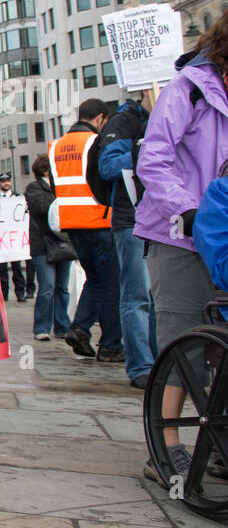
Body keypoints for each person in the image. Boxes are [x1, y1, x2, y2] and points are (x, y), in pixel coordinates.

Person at [136, 8, 228, 483]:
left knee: (222, 349)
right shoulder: (188, 89)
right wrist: (190, 210)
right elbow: (153, 161)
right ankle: (165, 446)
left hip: (224, 232)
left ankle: (218, 443)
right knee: (183, 341)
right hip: (179, 233)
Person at [51, 99, 124, 363]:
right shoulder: (96, 143)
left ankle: (80, 328)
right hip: (100, 219)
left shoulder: (56, 146)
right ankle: (111, 345)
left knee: (94, 280)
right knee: (111, 285)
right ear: (100, 118)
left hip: (72, 222)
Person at [97, 94, 157, 388]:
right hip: (131, 219)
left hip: (161, 219)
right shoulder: (124, 122)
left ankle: (160, 362)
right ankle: (142, 367)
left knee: (158, 299)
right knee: (137, 297)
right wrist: (141, 150)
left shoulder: (165, 116)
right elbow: (107, 166)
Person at [24, 154, 74, 342]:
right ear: (46, 170)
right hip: (43, 246)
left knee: (62, 287)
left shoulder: (60, 187)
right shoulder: (34, 188)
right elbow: (42, 207)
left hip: (62, 243)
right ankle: (42, 327)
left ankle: (62, 326)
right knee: (47, 287)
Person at [0, 172, 28, 302]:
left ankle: (20, 292)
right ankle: (4, 293)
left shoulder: (18, 197)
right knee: (1, 270)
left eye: (8, 180)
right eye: (3, 181)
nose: (6, 183)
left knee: (17, 268)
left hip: (15, 239)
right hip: (1, 239)